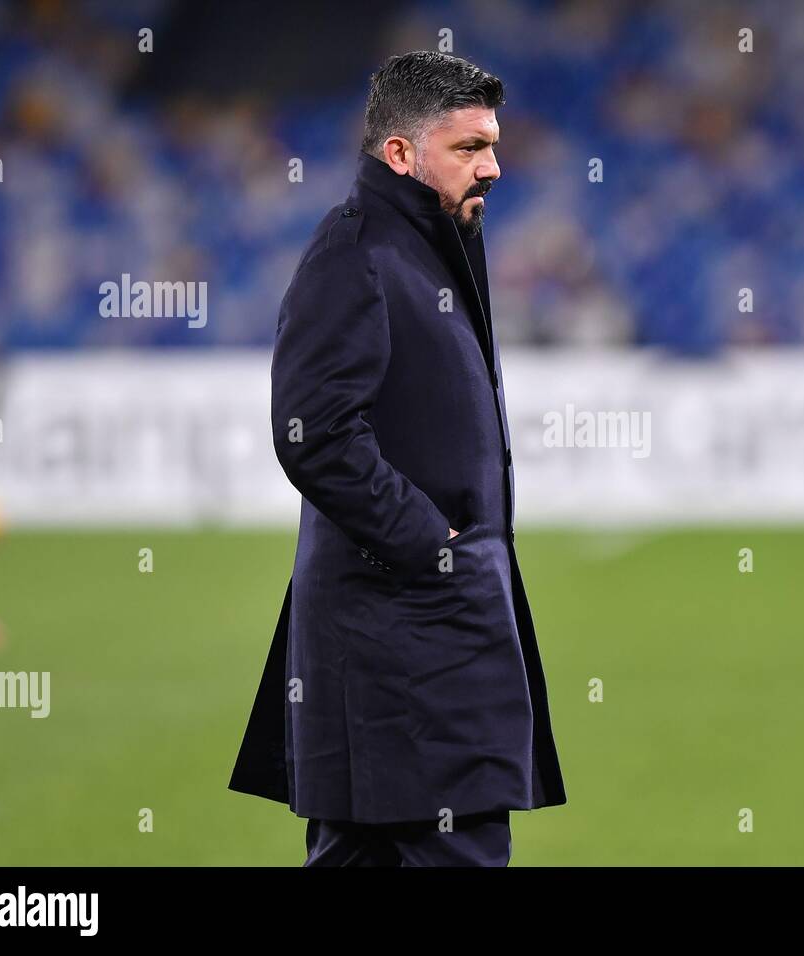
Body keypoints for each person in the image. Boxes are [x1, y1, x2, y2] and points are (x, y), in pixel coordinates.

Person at [228, 50, 566, 867]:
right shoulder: (358, 253)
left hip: (412, 642)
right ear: (402, 155)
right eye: (469, 148)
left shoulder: (424, 246)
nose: (493, 166)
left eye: (491, 144)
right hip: (408, 642)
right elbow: (313, 429)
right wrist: (430, 543)